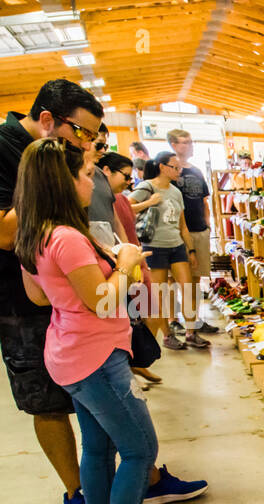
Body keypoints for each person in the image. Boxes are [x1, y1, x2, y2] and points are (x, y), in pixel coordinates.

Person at [0, 78, 206, 504]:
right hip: (27, 302)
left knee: (106, 401)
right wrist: (49, 190)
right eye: (84, 133)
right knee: (48, 402)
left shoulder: (67, 164)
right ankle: (81, 497)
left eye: (95, 138)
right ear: (50, 120)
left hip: (85, 282)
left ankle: (139, 482)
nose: (89, 145)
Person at [15, 139, 173, 504]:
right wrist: (124, 263)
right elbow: (101, 300)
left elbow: (38, 296)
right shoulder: (67, 238)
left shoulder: (37, 233)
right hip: (97, 357)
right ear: (62, 182)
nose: (93, 182)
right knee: (141, 448)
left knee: (99, 447)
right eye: (86, 174)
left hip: (69, 352)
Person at [130, 150, 206, 350]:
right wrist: (149, 203)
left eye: (179, 167)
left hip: (176, 245)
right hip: (154, 247)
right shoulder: (146, 187)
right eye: (175, 167)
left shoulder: (175, 191)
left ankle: (191, 332)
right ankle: (167, 336)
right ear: (162, 167)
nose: (179, 171)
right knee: (160, 293)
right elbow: (125, 208)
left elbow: (182, 226)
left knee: (188, 288)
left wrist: (191, 250)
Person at [100, 150, 163, 385]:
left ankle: (139, 361)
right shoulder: (102, 200)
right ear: (105, 172)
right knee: (131, 317)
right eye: (125, 176)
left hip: (135, 261)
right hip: (122, 266)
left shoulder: (120, 199)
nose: (129, 181)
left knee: (150, 312)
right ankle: (132, 366)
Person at [167, 129, 218, 333]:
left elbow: (205, 200)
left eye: (190, 142)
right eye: (184, 142)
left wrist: (207, 224)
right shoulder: (168, 172)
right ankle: (173, 319)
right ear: (173, 144)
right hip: (175, 233)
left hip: (198, 230)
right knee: (173, 279)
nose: (189, 145)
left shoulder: (196, 171)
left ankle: (194, 319)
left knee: (196, 278)